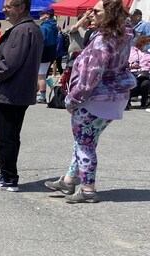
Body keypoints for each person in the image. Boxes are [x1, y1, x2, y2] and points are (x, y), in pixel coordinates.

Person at [45, 0, 135, 204]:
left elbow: (89, 77)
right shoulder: (123, 36)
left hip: (95, 98)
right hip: (114, 97)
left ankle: (87, 189)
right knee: (85, 141)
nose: (91, 14)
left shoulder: (103, 40)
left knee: (84, 144)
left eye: (96, 11)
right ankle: (69, 180)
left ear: (109, 14)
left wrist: (72, 99)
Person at [0, 0, 43, 192]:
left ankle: (8, 177)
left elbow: (9, 64)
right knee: (10, 136)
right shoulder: (31, 29)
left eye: (8, 6)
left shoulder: (22, 31)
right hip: (18, 92)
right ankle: (6, 173)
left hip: (10, 93)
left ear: (21, 7)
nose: (4, 10)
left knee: (6, 137)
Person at [38, 8, 59, 103]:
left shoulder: (44, 27)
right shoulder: (54, 26)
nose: (40, 15)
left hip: (43, 53)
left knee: (41, 76)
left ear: (47, 15)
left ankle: (42, 97)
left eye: (42, 13)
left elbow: (40, 42)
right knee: (44, 74)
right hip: (51, 53)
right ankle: (53, 87)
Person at [128, 35, 150, 108]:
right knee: (132, 82)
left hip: (144, 74)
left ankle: (143, 103)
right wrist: (131, 65)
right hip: (133, 72)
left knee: (145, 83)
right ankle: (127, 103)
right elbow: (125, 62)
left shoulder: (148, 54)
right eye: (146, 44)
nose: (147, 46)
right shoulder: (132, 51)